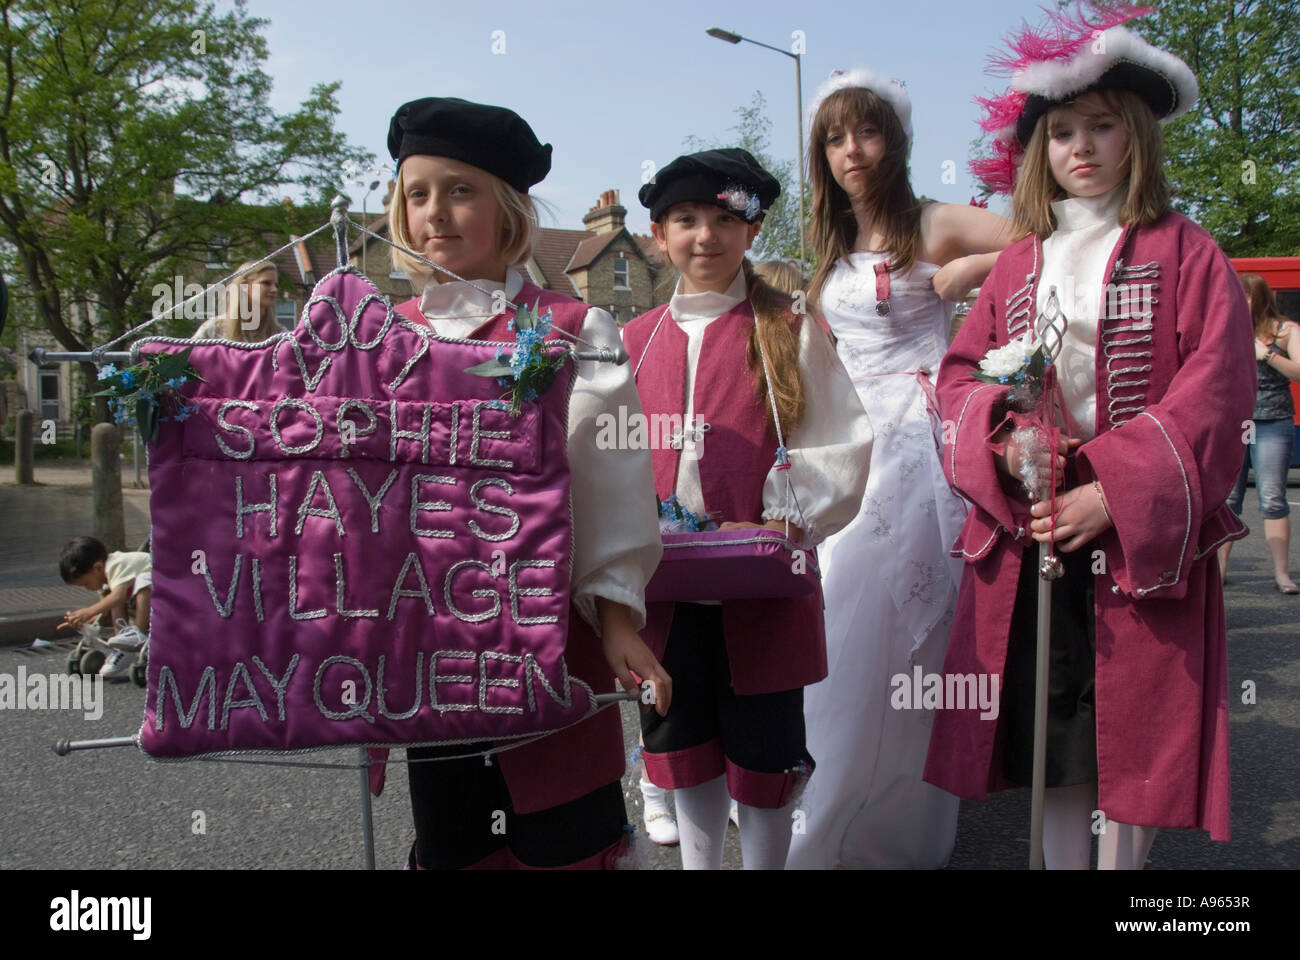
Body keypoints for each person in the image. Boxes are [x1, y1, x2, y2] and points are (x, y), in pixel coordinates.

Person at [923, 8, 1254, 868]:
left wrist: (1114, 492)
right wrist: (1005, 446)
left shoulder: (1187, 251)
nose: (1081, 146)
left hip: (1136, 534)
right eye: (1062, 131)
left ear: (1135, 135)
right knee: (1054, 734)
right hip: (1035, 530)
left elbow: (1215, 387)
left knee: (1134, 736)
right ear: (1040, 153)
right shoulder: (1016, 262)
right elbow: (960, 381)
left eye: (1102, 125)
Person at [383, 96, 670, 870]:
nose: (435, 212)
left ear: (508, 210)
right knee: (455, 841)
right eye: (417, 193)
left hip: (549, 641)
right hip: (430, 649)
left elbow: (610, 486)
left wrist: (615, 618)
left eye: (461, 190)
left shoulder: (575, 329)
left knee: (563, 832)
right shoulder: (384, 337)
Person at [785, 67, 1013, 870]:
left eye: (868, 130)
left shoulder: (934, 223)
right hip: (846, 438)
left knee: (899, 628)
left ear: (898, 140)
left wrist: (973, 272)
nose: (852, 150)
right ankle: (823, 794)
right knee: (830, 619)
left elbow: (1046, 237)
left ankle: (889, 825)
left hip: (918, 442)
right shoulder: (832, 240)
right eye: (836, 136)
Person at [624, 147, 874, 869]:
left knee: (766, 758)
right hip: (665, 592)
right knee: (684, 749)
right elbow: (609, 459)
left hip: (760, 589)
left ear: (753, 229)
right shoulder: (635, 344)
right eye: (685, 220)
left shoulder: (789, 327)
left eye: (724, 220)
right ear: (660, 234)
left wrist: (779, 512)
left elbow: (838, 440)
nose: (705, 236)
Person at [1220, 273, 1300, 593]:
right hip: (1235, 423)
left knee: (1272, 497)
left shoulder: (1284, 330)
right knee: (1227, 498)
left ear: (1258, 297)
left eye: (1246, 296)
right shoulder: (1226, 329)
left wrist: (1266, 354)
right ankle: (1219, 571)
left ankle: (1281, 574)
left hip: (1272, 421)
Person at [58, 536, 151, 678]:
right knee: (112, 598)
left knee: (141, 581)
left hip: (167, 587)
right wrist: (86, 620)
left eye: (86, 584)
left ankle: (137, 632)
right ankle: (123, 644)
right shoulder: (104, 577)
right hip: (144, 596)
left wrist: (88, 612)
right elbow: (105, 610)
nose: (87, 588)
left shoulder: (116, 564)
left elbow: (118, 596)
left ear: (98, 568)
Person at [192, 261, 282, 341]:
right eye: (266, 283)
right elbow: (187, 357)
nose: (274, 289)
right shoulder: (213, 330)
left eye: (276, 285)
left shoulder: (279, 335)